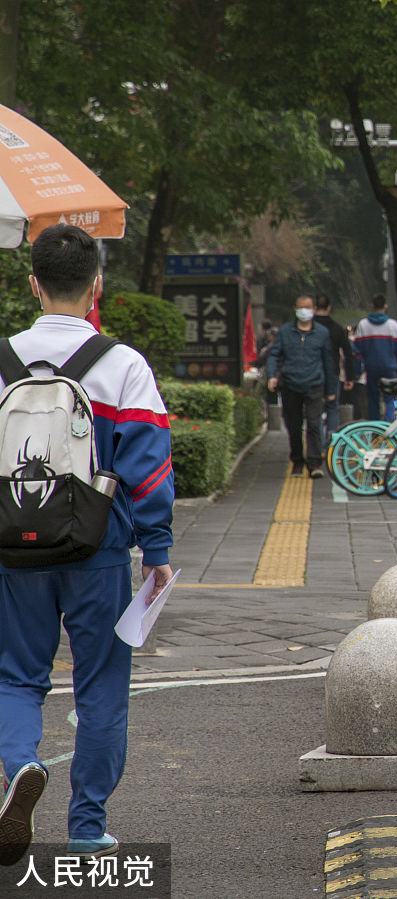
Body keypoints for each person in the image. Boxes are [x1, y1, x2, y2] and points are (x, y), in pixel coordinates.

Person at [0, 224, 174, 864]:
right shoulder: (123, 365)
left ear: (32, 284)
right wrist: (156, 550)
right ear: (97, 284)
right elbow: (151, 464)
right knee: (101, 685)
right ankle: (87, 827)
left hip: (13, 546)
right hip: (98, 547)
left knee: (16, 677)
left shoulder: (1, 359)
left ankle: (21, 763)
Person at [266, 295, 337, 478]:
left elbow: (329, 361)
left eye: (307, 307)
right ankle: (297, 460)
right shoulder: (285, 332)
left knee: (314, 424)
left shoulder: (321, 333)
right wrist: (272, 375)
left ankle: (314, 462)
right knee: (293, 425)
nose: (304, 311)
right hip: (290, 384)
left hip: (314, 384)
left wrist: (331, 389)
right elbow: (274, 354)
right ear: (295, 309)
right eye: (300, 307)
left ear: (313, 309)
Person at [313, 295, 356, 450]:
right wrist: (350, 377)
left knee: (315, 409)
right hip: (332, 373)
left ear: (315, 307)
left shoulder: (310, 327)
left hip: (313, 374)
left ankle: (317, 443)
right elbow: (348, 353)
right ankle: (331, 444)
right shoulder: (336, 328)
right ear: (329, 308)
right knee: (332, 408)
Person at [354, 294, 397, 422]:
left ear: (372, 306)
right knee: (390, 399)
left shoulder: (363, 325)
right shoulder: (393, 325)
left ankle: (375, 431)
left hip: (371, 368)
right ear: (385, 307)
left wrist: (357, 371)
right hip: (389, 368)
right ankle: (388, 427)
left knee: (373, 400)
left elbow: (358, 351)